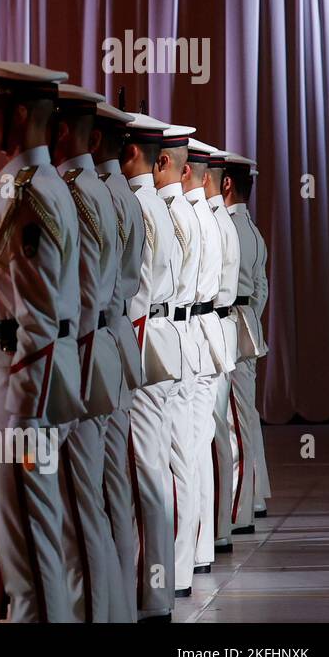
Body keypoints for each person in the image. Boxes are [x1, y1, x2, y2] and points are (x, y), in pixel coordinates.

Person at [0, 59, 79, 622]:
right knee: (28, 545)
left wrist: (24, 416)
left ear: (24, 115)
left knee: (29, 547)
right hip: (11, 378)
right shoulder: (23, 186)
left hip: (19, 386)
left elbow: (39, 315)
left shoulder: (31, 194)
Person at [51, 84, 127, 622]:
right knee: (101, 497)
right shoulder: (107, 188)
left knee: (79, 509)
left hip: (78, 353)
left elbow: (77, 291)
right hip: (103, 346)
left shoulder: (77, 190)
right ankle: (115, 608)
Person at [118, 112, 182, 622]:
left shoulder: (138, 206)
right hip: (157, 337)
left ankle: (152, 591)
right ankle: (153, 587)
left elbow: (134, 291)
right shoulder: (155, 203)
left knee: (144, 473)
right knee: (151, 469)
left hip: (139, 343)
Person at [90, 101, 145, 622]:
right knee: (113, 487)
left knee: (92, 495)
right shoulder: (123, 194)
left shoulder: (96, 195)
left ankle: (107, 606)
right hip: (113, 339)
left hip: (89, 347)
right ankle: (121, 603)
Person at [153, 122, 202, 598]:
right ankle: (181, 568)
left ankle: (177, 569)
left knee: (172, 460)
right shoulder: (181, 210)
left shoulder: (175, 213)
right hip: (180, 334)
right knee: (179, 458)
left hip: (172, 333)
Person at [183, 138, 231, 576]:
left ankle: (188, 557)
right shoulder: (209, 217)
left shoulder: (193, 217)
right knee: (195, 451)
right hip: (202, 334)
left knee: (186, 452)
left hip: (190, 335)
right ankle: (198, 551)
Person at [218, 152, 270, 528]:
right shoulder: (252, 230)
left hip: (233, 327)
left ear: (226, 185)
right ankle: (253, 496)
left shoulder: (228, 228)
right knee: (245, 417)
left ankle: (241, 508)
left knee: (236, 421)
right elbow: (262, 289)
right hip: (246, 323)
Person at [200, 145, 241, 556]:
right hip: (216, 326)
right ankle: (218, 528)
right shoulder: (218, 220)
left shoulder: (213, 221)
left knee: (213, 436)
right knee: (215, 435)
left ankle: (218, 527)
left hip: (212, 325)